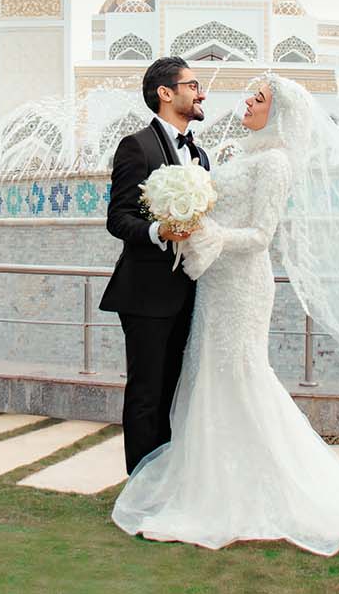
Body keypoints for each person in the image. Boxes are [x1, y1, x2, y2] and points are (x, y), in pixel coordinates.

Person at [111, 74, 339, 554]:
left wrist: (210, 236)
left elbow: (261, 235)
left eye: (258, 99)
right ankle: (207, 481)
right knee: (203, 380)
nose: (246, 102)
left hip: (241, 286)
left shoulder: (276, 162)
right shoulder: (234, 154)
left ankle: (255, 488)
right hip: (210, 286)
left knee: (239, 377)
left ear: (276, 113)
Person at [100, 56, 210, 474]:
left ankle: (166, 481)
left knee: (173, 393)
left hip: (189, 292)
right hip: (146, 294)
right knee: (146, 393)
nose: (201, 94)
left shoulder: (199, 154)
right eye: (192, 85)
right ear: (166, 93)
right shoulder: (137, 146)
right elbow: (118, 219)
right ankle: (140, 486)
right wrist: (158, 231)